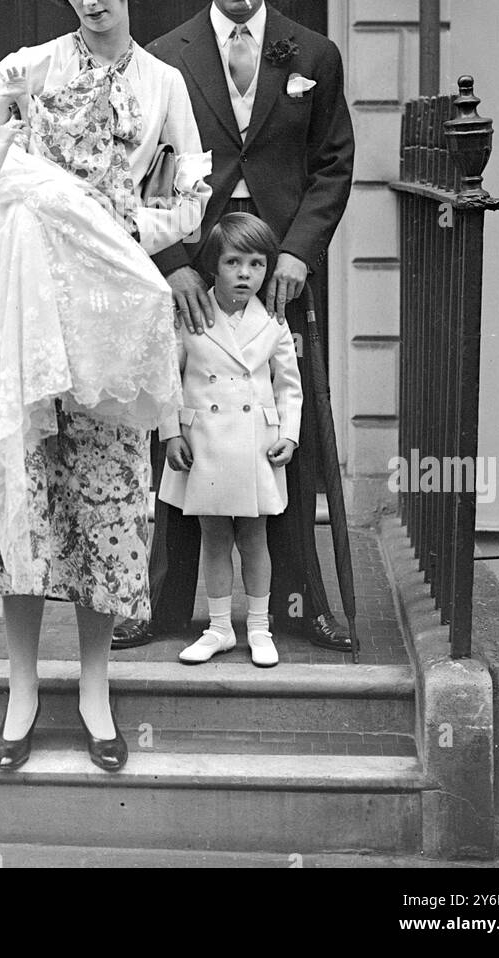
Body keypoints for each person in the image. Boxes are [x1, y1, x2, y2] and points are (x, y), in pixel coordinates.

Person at [0, 0, 210, 765]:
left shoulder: (164, 83)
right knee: (22, 497)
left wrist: (124, 221)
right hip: (30, 312)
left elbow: (186, 190)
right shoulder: (28, 69)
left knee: (103, 501)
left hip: (106, 314)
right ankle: (23, 690)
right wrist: (3, 191)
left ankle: (96, 689)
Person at [146, 0, 356, 653]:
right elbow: (146, 172)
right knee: (178, 428)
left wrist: (298, 251)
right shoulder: (166, 59)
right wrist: (174, 261)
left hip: (280, 278)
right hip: (194, 280)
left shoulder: (311, 54)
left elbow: (333, 163)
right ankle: (168, 606)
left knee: (284, 433)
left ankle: (299, 603)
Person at [159, 215, 302, 668]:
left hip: (256, 444)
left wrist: (291, 436)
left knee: (255, 536)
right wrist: (170, 433)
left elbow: (288, 387)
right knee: (214, 537)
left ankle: (258, 626)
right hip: (204, 442)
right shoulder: (191, 317)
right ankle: (219, 627)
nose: (245, 273)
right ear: (213, 267)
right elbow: (168, 380)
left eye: (257, 264)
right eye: (233, 262)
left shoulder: (274, 322)